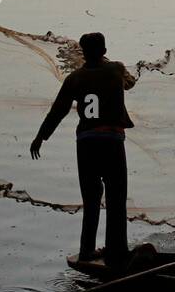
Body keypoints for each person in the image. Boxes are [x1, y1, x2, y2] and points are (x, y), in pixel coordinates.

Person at [30, 32, 136, 267]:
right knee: (116, 197)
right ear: (105, 50)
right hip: (111, 141)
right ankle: (116, 251)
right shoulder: (116, 70)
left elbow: (58, 110)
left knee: (91, 198)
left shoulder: (74, 79)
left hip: (86, 143)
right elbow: (131, 83)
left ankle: (86, 251)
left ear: (83, 52)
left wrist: (41, 137)